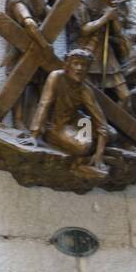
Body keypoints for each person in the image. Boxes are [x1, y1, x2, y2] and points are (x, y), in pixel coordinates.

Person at [30, 48, 109, 178]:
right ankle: (77, 158)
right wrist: (34, 134)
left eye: (83, 65)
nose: (79, 68)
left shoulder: (85, 90)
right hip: (55, 126)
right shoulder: (56, 77)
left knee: (112, 134)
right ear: (67, 65)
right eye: (76, 63)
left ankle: (90, 155)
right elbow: (44, 104)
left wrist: (99, 156)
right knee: (83, 147)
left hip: (76, 123)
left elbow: (101, 124)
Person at [4, 0, 53, 129]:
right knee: (19, 81)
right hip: (20, 46)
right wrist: (45, 45)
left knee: (40, 81)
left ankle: (42, 122)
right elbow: (28, 22)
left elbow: (50, 14)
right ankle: (17, 121)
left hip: (36, 47)